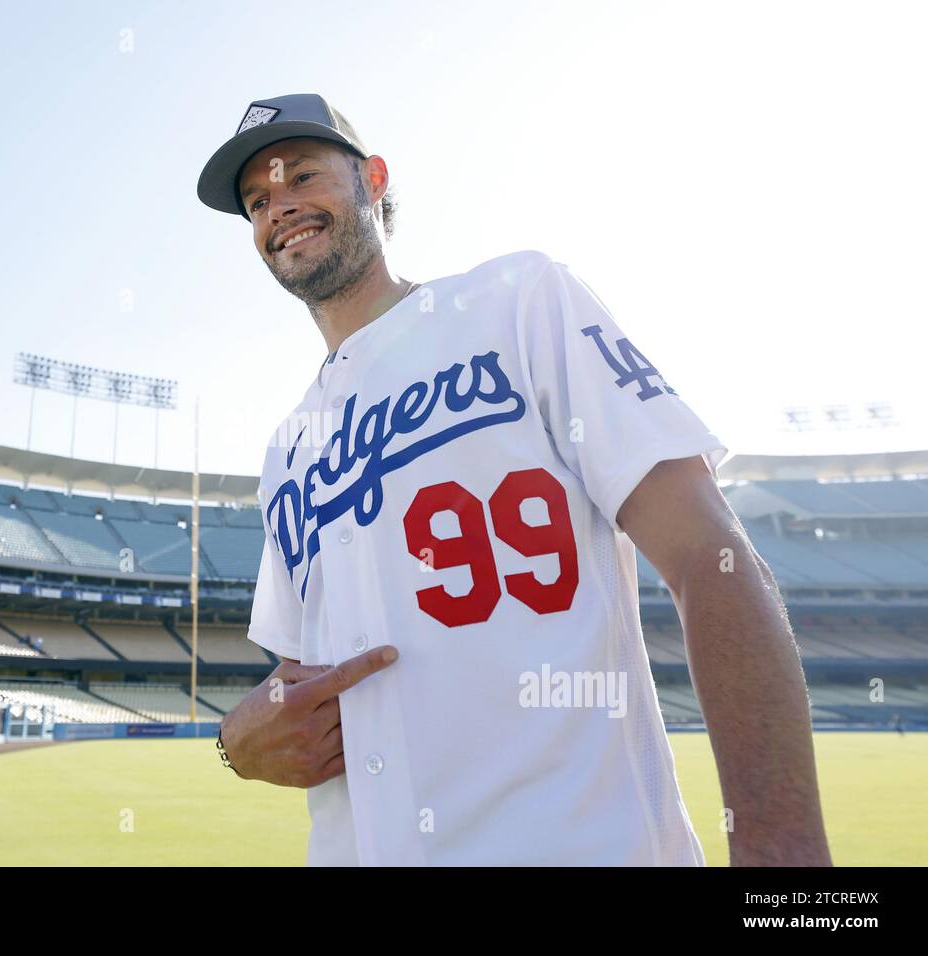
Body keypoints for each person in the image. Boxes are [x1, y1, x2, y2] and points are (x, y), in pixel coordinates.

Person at [196, 94, 830, 866]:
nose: (280, 206)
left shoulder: (519, 302)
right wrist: (235, 745)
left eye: (301, 175)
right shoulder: (286, 449)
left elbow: (713, 558)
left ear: (373, 180)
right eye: (258, 200)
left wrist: (780, 852)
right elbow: (298, 693)